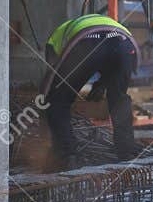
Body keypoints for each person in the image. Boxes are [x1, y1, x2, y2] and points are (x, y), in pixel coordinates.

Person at [44, 11, 140, 168]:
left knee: (57, 100)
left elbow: (52, 78)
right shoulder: (80, 26)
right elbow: (108, 53)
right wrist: (102, 83)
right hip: (124, 44)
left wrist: (47, 100)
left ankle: (66, 156)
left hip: (86, 43)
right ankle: (127, 151)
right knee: (119, 98)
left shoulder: (54, 40)